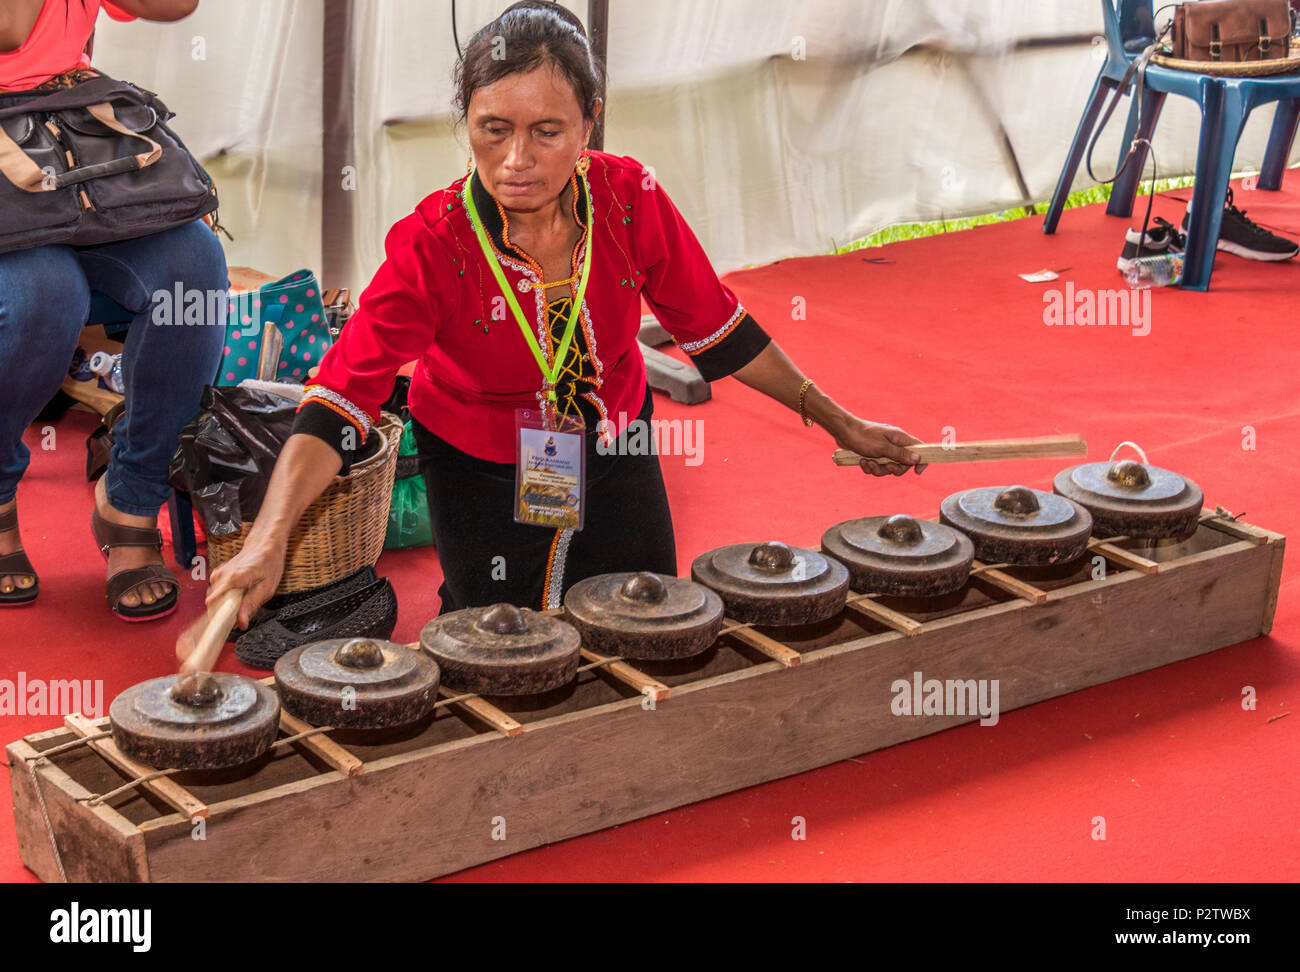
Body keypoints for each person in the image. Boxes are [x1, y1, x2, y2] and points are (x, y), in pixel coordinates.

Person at [208, 0, 926, 631]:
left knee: (647, 614)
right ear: (466, 123)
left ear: (591, 122)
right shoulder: (435, 244)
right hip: (477, 459)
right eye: (492, 129)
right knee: (499, 635)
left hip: (615, 439)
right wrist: (270, 538)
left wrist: (840, 420)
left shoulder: (630, 197)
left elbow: (720, 330)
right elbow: (338, 397)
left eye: (547, 131)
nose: (515, 160)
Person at [0, 0, 227, 620]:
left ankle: (129, 498)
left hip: (71, 138)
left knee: (193, 275)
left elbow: (176, 5)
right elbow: (10, 29)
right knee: (45, 296)